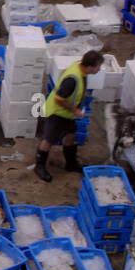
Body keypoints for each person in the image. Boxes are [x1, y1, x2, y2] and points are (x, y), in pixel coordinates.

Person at [34, 50, 103, 183]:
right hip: (58, 113)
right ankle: (39, 166)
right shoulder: (72, 79)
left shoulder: (81, 69)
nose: (99, 70)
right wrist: (75, 110)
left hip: (68, 115)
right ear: (91, 66)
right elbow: (58, 99)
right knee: (48, 140)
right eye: (98, 67)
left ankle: (71, 163)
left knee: (71, 136)